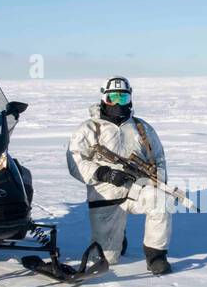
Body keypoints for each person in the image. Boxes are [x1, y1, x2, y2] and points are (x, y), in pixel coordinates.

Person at [66, 76, 172, 275]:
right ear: (104, 99)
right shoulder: (89, 128)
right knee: (107, 260)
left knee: (160, 200)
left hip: (137, 191)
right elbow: (75, 162)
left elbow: (159, 158)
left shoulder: (142, 128)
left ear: (130, 99)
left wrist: (158, 180)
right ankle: (117, 236)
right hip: (105, 196)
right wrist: (102, 173)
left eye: (122, 99)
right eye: (113, 98)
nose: (117, 103)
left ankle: (156, 255)